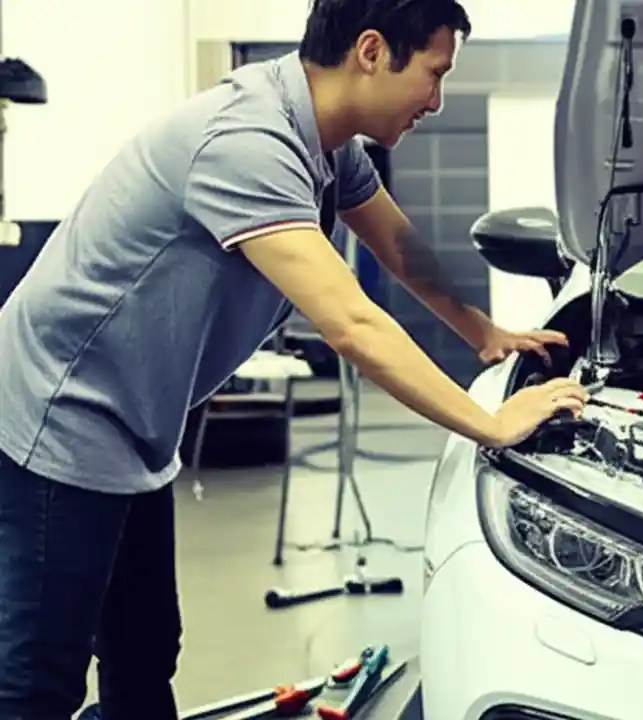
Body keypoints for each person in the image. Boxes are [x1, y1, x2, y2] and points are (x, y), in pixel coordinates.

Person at [0, 0, 588, 717]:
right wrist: (489, 424)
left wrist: (484, 333)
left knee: (146, 648)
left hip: (134, 421)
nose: (436, 100)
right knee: (37, 684)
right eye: (433, 75)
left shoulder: (323, 140)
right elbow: (352, 325)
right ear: (371, 51)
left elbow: (396, 244)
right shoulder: (248, 141)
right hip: (58, 414)